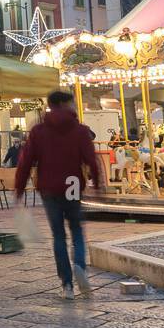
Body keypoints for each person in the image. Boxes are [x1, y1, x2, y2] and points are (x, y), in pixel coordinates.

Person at [14, 90, 103, 300]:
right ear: (63, 104)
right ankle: (80, 265)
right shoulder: (80, 130)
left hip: (49, 187)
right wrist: (98, 184)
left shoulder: (38, 131)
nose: (74, 106)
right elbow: (91, 159)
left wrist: (19, 188)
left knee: (58, 236)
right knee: (77, 230)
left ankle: (67, 285)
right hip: (72, 185)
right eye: (71, 102)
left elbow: (25, 161)